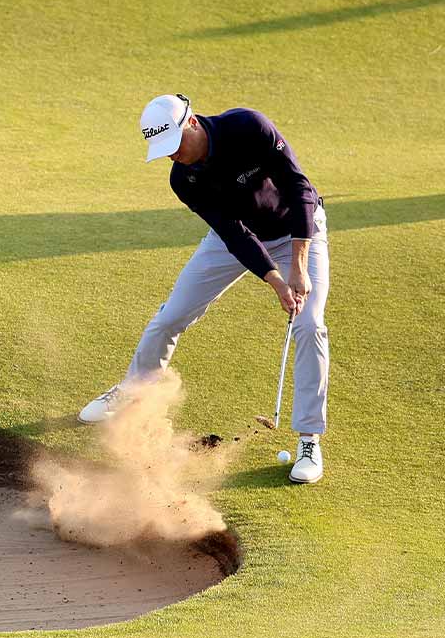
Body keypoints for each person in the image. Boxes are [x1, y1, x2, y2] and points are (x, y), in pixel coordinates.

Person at [79, 94, 330, 483]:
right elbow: (234, 233)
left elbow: (300, 189)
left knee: (309, 325)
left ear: (192, 122)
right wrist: (274, 279)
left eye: (176, 144)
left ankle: (309, 439)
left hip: (297, 231)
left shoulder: (248, 127)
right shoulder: (183, 179)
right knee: (172, 316)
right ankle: (134, 390)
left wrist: (296, 266)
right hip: (236, 238)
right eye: (165, 150)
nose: (173, 155)